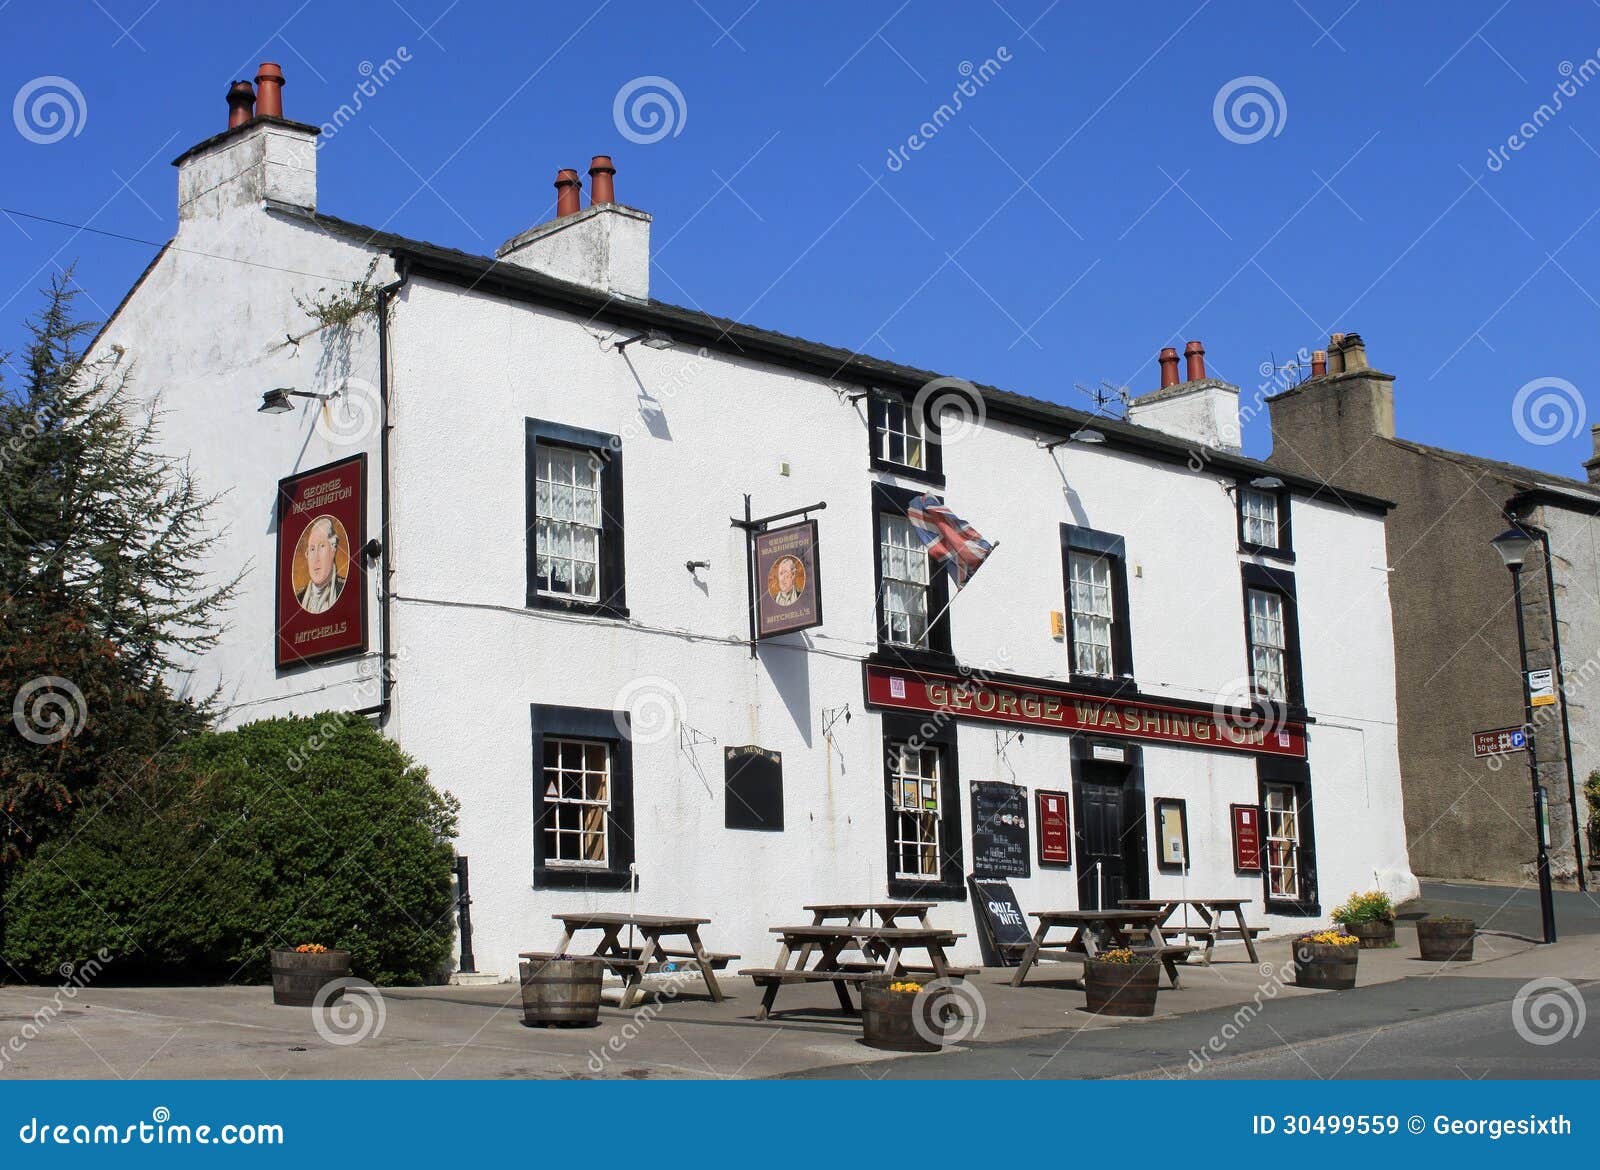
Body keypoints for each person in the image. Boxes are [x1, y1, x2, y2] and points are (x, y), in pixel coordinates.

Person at [296, 515, 346, 613]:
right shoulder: (300, 597)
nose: (316, 558)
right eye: (312, 549)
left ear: (333, 549)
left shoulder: (343, 589)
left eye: (322, 546)